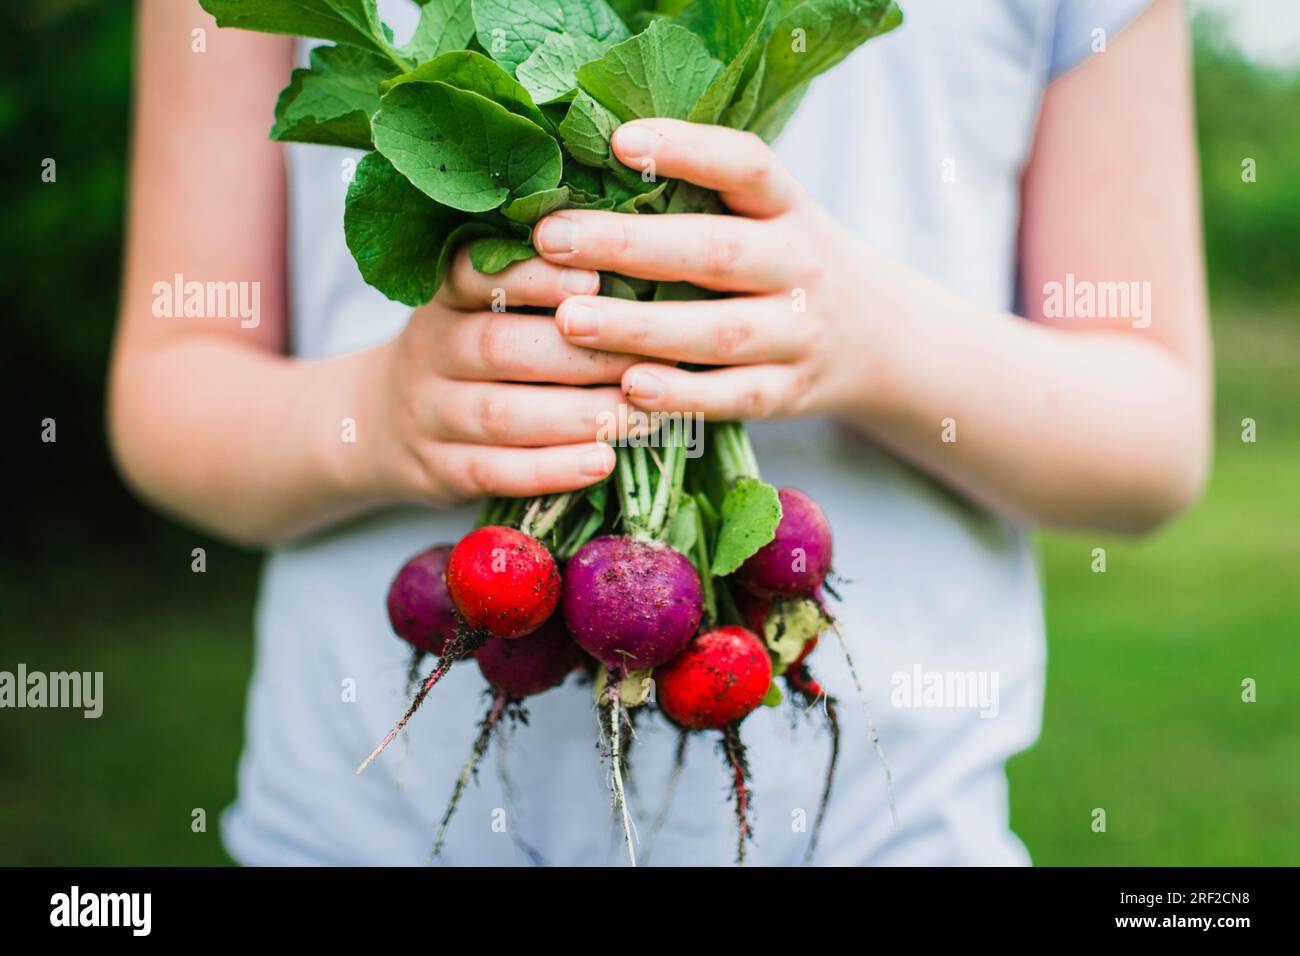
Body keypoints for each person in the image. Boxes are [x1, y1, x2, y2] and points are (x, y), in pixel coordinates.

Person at [110, 0, 1209, 865]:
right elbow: (168, 396)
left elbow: (1153, 440)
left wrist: (868, 340)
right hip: (352, 834)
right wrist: (383, 420)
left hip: (896, 837)